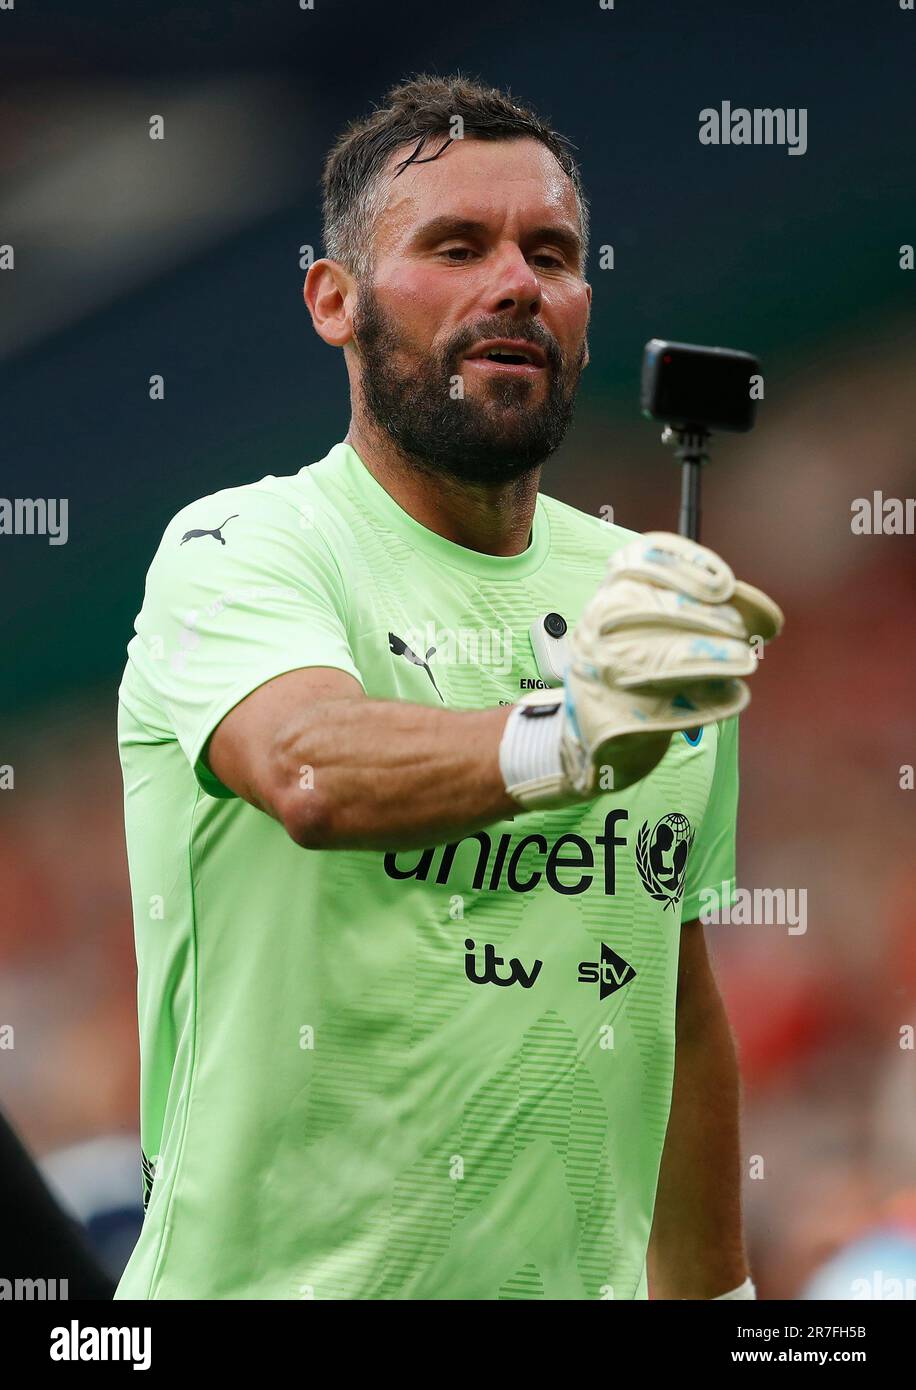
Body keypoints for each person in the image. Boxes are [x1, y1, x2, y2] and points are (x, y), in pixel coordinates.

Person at [115, 73, 782, 1300]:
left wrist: (727, 1305)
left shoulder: (652, 600)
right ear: (334, 300)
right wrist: (571, 735)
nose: (516, 281)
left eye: (551, 252)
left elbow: (669, 999)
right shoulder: (242, 547)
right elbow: (311, 767)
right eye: (456, 246)